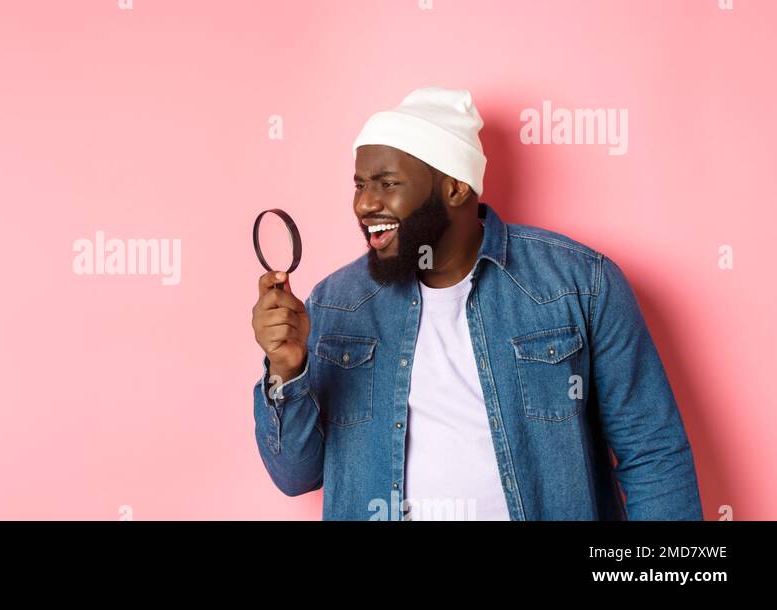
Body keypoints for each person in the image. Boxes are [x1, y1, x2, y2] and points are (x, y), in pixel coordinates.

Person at [250, 87, 703, 520]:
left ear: (456, 188)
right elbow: (295, 476)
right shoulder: (336, 302)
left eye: (387, 183)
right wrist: (287, 370)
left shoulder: (581, 283)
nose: (365, 204)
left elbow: (653, 453)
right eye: (360, 184)